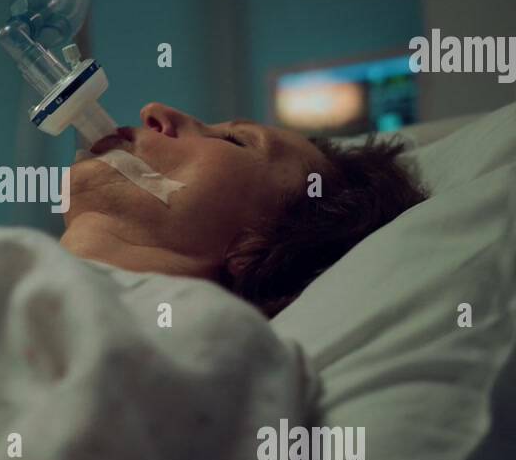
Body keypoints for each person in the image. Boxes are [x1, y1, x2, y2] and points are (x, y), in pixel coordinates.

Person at [61, 103, 429, 316]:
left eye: (234, 140)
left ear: (255, 246)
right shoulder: (14, 275)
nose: (155, 111)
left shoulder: (207, 363)